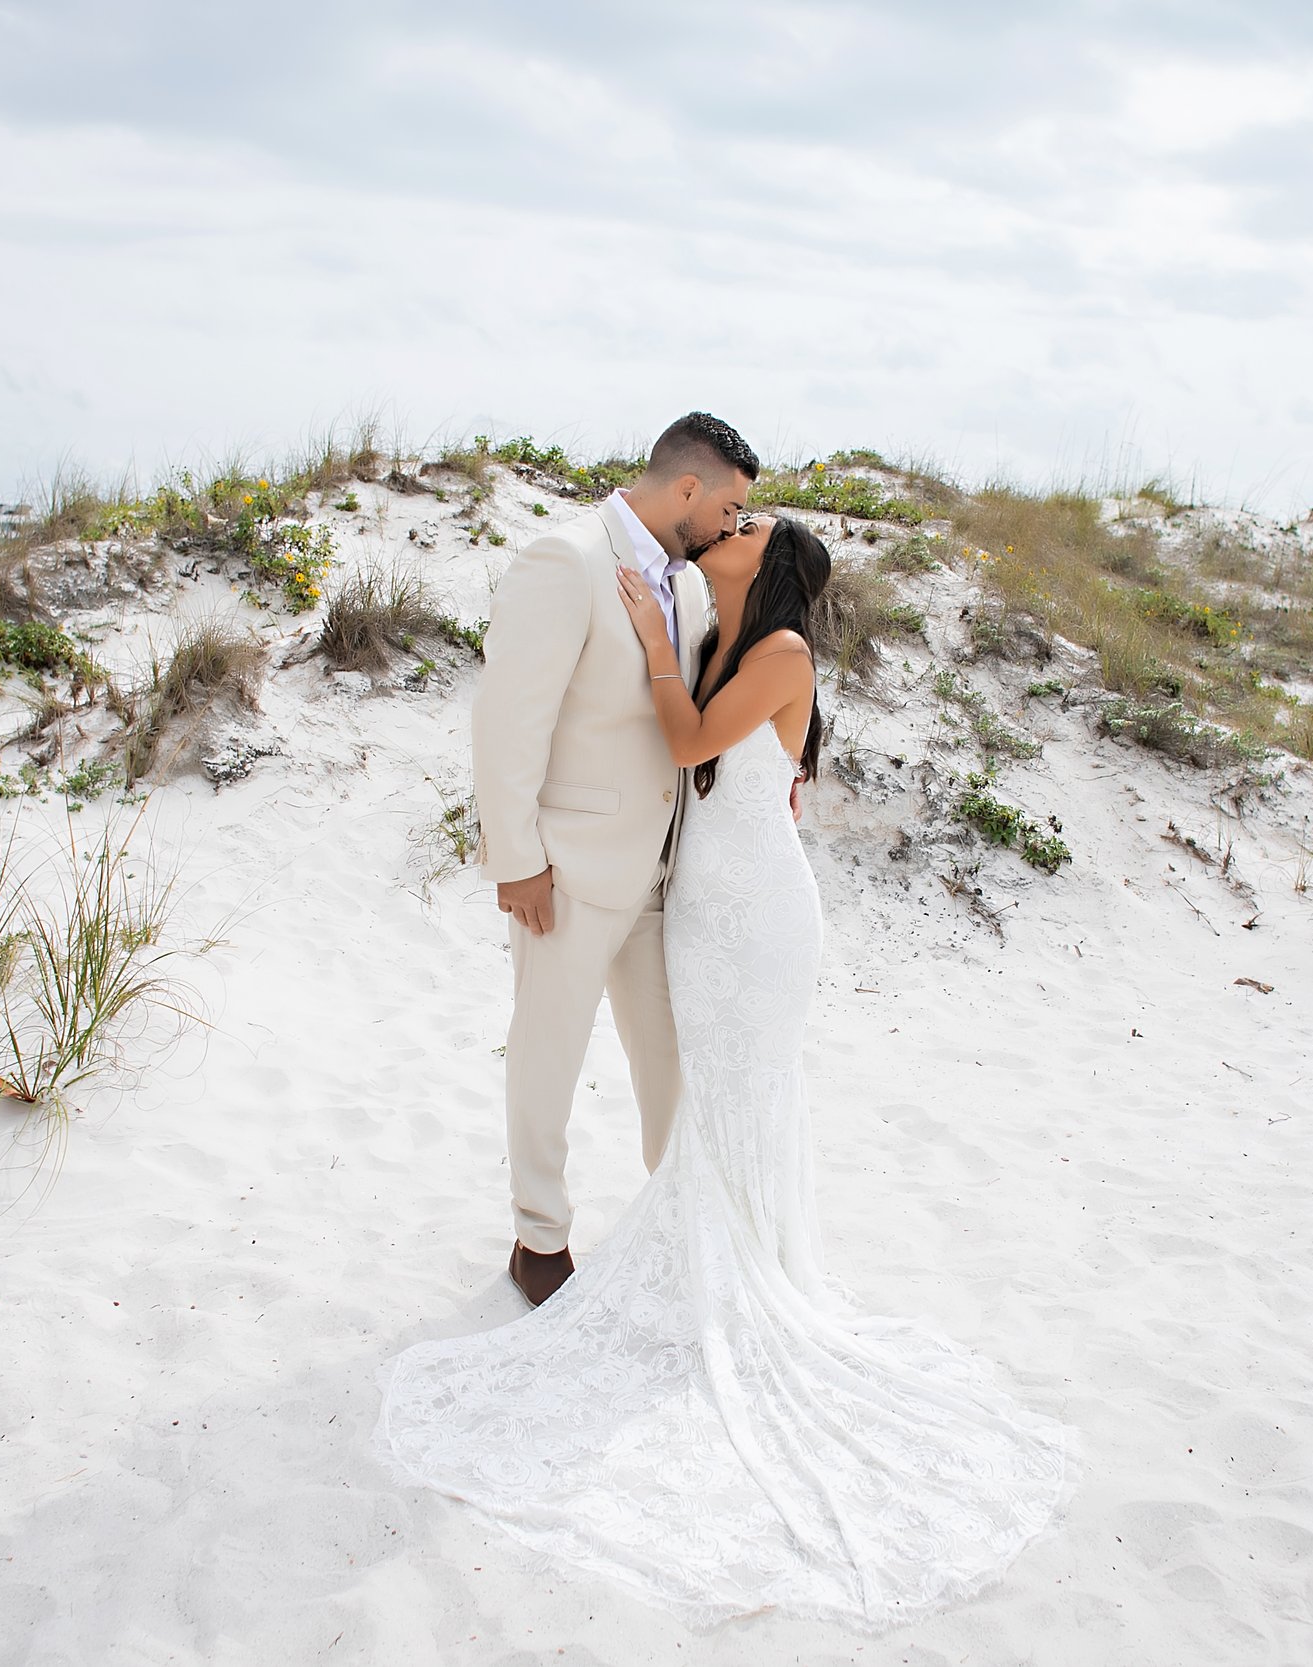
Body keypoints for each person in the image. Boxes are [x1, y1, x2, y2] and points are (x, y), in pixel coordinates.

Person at [378, 509, 1076, 1631]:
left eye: (751, 527)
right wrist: (669, 651)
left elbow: (696, 745)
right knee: (707, 1094)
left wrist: (655, 650)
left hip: (756, 914)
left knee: (741, 1090)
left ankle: (734, 1268)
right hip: (693, 906)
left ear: (776, 567)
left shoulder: (781, 652)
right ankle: (690, 1241)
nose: (731, 530)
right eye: (730, 514)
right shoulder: (718, 636)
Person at [467, 411, 757, 1306]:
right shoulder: (568, 559)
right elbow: (510, 719)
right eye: (731, 506)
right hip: (568, 867)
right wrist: (517, 857)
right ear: (687, 489)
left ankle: (677, 1218)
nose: (734, 525)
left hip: (663, 874)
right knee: (549, 1051)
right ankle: (538, 1238)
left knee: (666, 1058)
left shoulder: (693, 585)